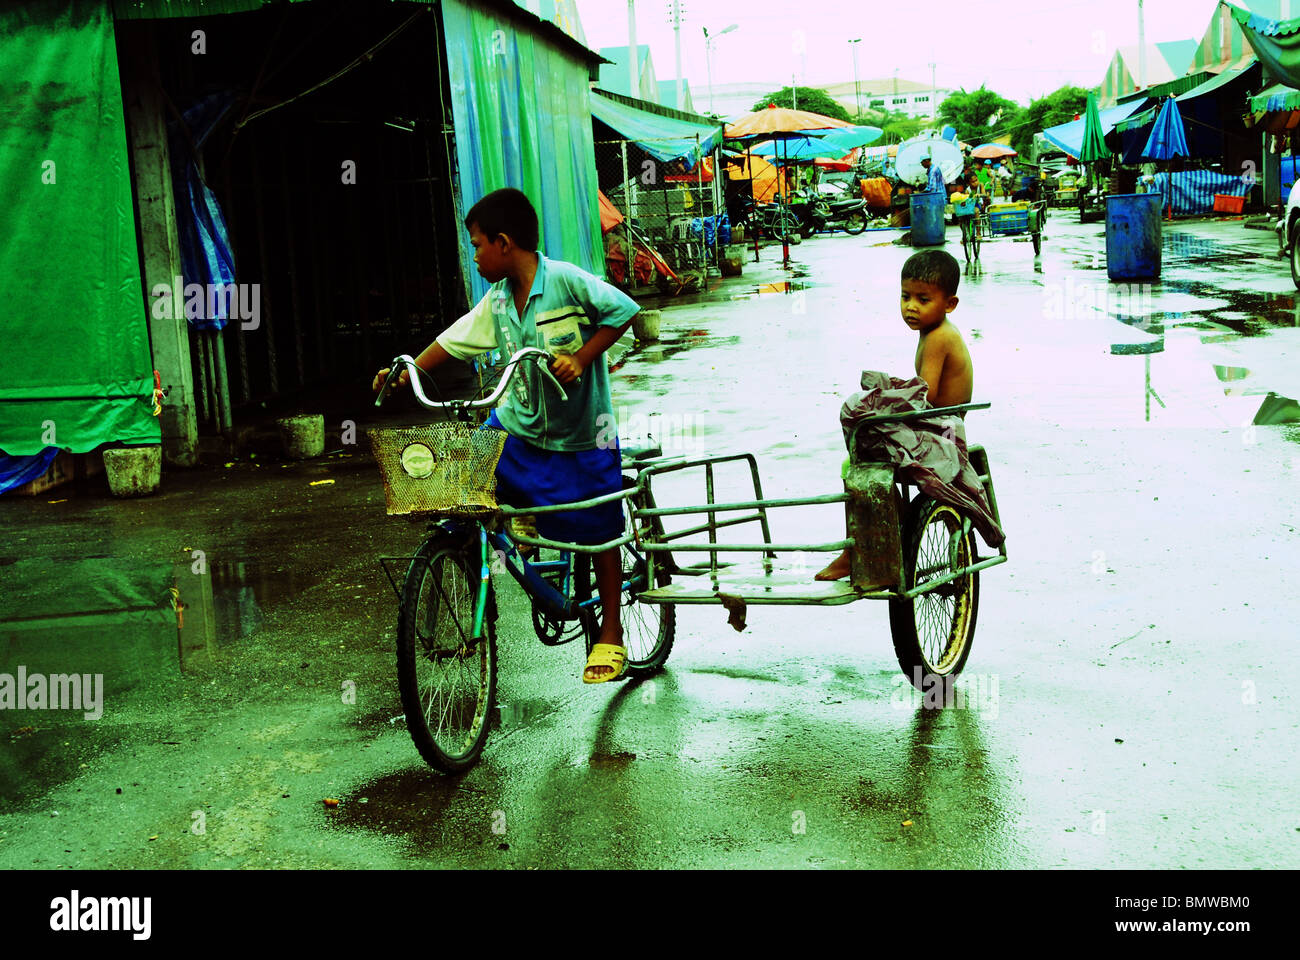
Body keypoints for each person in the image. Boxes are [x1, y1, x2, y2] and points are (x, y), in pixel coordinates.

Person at [372, 188, 639, 683]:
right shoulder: (496, 302)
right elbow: (452, 341)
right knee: (463, 481)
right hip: (516, 427)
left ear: (503, 242)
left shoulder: (566, 281)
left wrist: (581, 358)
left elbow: (623, 311)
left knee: (600, 529)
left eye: (476, 245)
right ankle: (480, 551)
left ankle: (612, 632)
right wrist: (405, 372)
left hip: (582, 435)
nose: (473, 256)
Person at [815, 249, 973, 582]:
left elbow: (922, 398)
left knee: (858, 455)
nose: (911, 306)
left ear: (950, 304)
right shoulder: (934, 332)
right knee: (861, 447)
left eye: (923, 299)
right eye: (905, 297)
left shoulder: (939, 337)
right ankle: (880, 530)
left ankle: (858, 548)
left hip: (943, 431)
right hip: (939, 424)